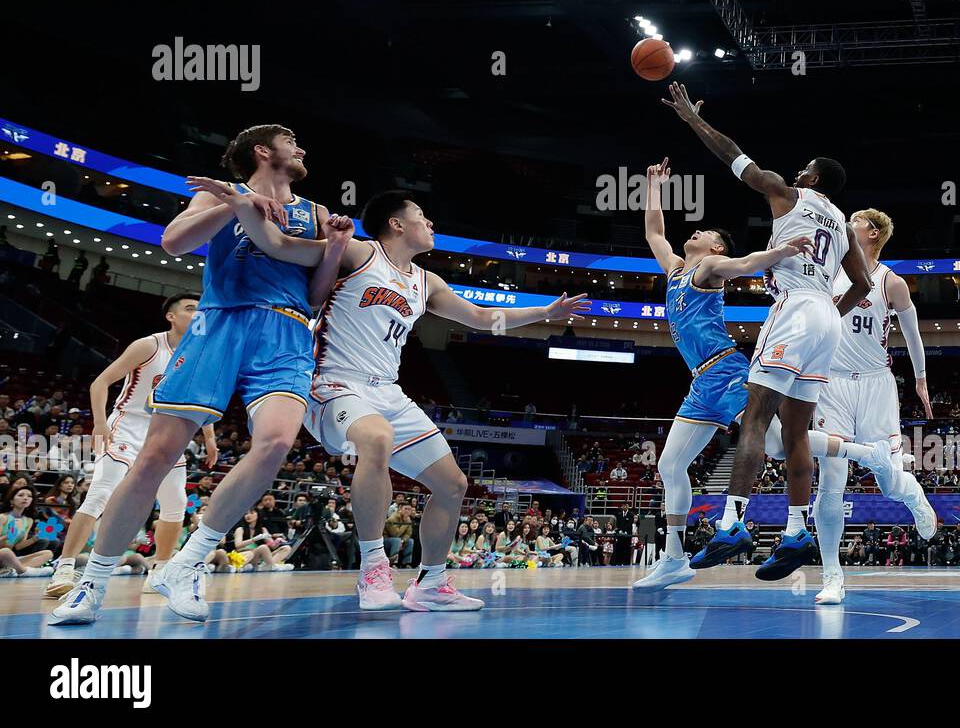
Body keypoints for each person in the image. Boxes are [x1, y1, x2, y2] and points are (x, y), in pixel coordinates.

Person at [187, 184, 588, 611]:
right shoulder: (360, 254)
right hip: (335, 382)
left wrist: (545, 313)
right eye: (421, 214)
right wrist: (242, 205)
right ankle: (372, 569)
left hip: (387, 391)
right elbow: (282, 245)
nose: (430, 222)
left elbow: (480, 318)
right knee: (375, 438)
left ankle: (430, 584)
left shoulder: (425, 281)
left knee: (453, 484)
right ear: (396, 223)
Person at [50, 125, 330, 625]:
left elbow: (314, 295)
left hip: (286, 329)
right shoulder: (216, 193)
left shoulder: (317, 213)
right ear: (263, 151)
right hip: (218, 321)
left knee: (274, 444)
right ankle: (91, 584)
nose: (302, 148)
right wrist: (235, 205)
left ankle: (188, 560)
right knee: (155, 456)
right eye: (293, 141)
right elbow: (175, 242)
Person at [663, 84, 879, 582]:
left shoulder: (788, 192)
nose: (798, 170)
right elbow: (864, 283)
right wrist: (829, 309)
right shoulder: (844, 227)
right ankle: (794, 530)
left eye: (806, 166)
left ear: (814, 176)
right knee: (797, 432)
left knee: (756, 416)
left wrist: (693, 121)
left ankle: (733, 521)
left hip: (797, 308)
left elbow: (735, 157)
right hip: (826, 318)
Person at [634, 155, 828, 590]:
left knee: (779, 447)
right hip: (700, 383)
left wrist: (782, 251)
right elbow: (653, 231)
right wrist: (654, 187)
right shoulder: (676, 270)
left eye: (704, 232)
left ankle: (862, 453)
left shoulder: (708, 267)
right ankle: (673, 558)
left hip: (725, 372)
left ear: (715, 247)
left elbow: (744, 264)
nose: (695, 231)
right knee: (669, 466)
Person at [45, 293, 217, 599]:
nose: (197, 314)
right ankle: (65, 566)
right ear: (171, 316)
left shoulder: (199, 353)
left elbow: (199, 399)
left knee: (176, 501)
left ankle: (159, 571)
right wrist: (99, 422)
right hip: (127, 424)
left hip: (166, 433)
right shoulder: (149, 345)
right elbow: (101, 382)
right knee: (100, 493)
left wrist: (210, 439)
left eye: (200, 310)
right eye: (190, 308)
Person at [810, 208, 937, 605]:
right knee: (831, 481)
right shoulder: (828, 270)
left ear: (873, 232)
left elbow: (913, 334)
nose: (847, 223)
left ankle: (913, 494)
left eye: (855, 220)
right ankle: (832, 575)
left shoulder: (890, 282)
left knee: (889, 482)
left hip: (877, 386)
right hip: (832, 382)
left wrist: (920, 378)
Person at [0, 485, 55, 577]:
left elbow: (18, 547)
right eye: (21, 495)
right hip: (3, 554)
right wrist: (7, 536)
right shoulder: (2, 517)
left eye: (29, 496)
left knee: (48, 553)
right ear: (11, 500)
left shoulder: (28, 521)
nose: (25, 498)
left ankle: (12, 570)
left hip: (11, 558)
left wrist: (36, 538)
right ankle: (23, 571)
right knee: (6, 552)